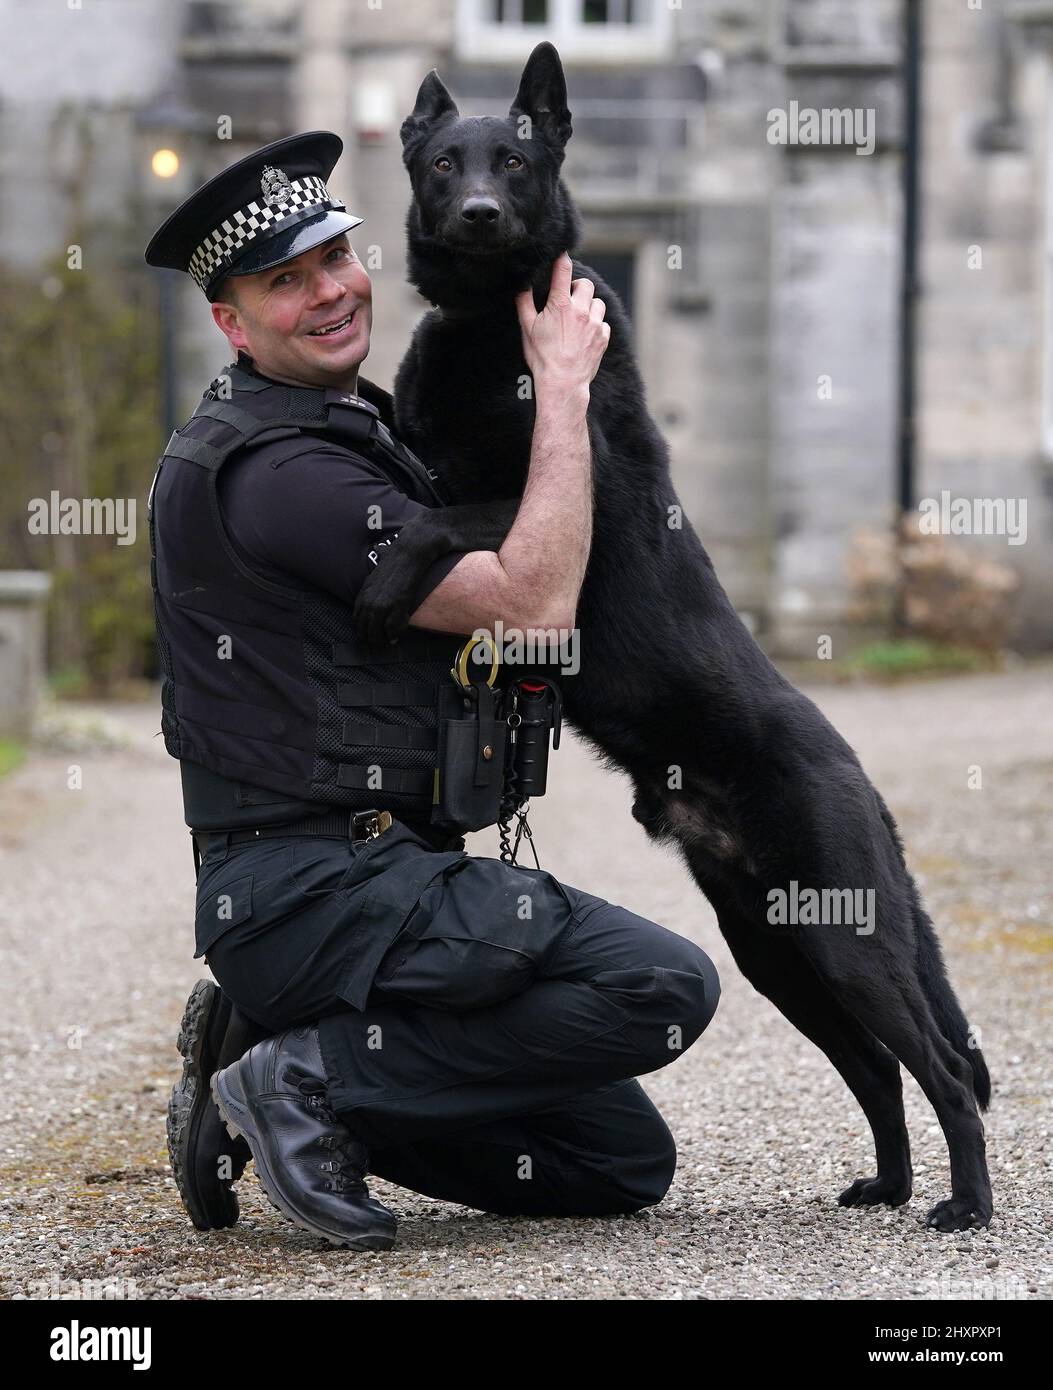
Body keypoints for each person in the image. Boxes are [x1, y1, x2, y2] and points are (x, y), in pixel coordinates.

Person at [145, 131, 720, 1251]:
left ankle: (267, 1053)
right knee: (662, 986)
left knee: (616, 1163)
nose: (329, 291)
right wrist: (563, 390)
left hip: (386, 878)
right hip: (314, 885)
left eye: (335, 259)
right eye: (284, 281)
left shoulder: (350, 426)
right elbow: (531, 603)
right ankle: (300, 1073)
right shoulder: (284, 473)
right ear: (232, 320)